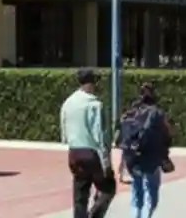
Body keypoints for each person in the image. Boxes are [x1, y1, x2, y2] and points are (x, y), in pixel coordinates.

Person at [61, 68, 115, 218]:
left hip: (74, 152)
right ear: (91, 83)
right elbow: (99, 134)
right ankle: (94, 215)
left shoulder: (69, 102)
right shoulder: (94, 104)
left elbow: (64, 127)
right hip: (91, 153)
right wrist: (106, 162)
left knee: (80, 191)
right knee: (108, 188)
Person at [118, 83, 172, 218]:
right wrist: (164, 156)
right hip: (151, 159)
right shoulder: (157, 114)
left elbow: (123, 137)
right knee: (151, 195)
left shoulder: (131, 113)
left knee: (137, 192)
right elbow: (166, 137)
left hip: (133, 158)